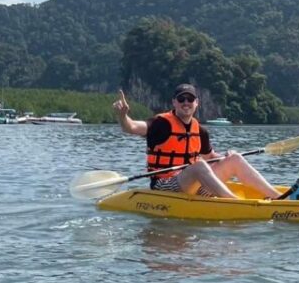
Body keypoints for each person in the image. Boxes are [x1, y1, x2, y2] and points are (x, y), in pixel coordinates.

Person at [113, 84, 282, 199]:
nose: (186, 103)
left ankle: (278, 198)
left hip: (194, 185)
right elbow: (132, 127)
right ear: (174, 102)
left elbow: (210, 156)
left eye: (190, 99)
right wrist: (123, 116)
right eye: (181, 99)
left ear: (196, 103)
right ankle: (234, 202)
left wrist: (226, 156)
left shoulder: (200, 130)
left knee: (235, 158)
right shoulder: (161, 123)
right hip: (166, 185)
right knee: (200, 165)